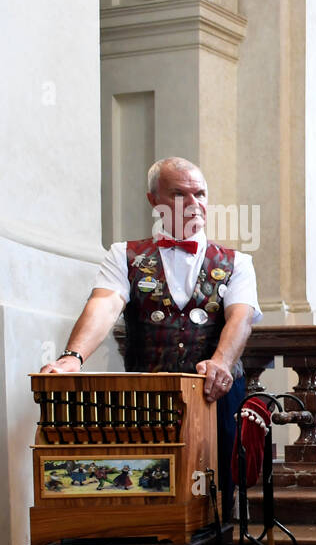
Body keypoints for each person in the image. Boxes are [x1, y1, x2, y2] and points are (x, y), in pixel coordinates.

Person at [39, 156, 261, 517]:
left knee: (216, 491)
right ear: (154, 200)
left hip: (216, 395)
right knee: (152, 486)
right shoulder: (123, 255)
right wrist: (72, 357)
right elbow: (104, 305)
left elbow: (241, 318)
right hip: (149, 396)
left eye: (200, 194)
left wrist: (221, 362)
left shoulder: (237, 262)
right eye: (180, 195)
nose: (194, 203)